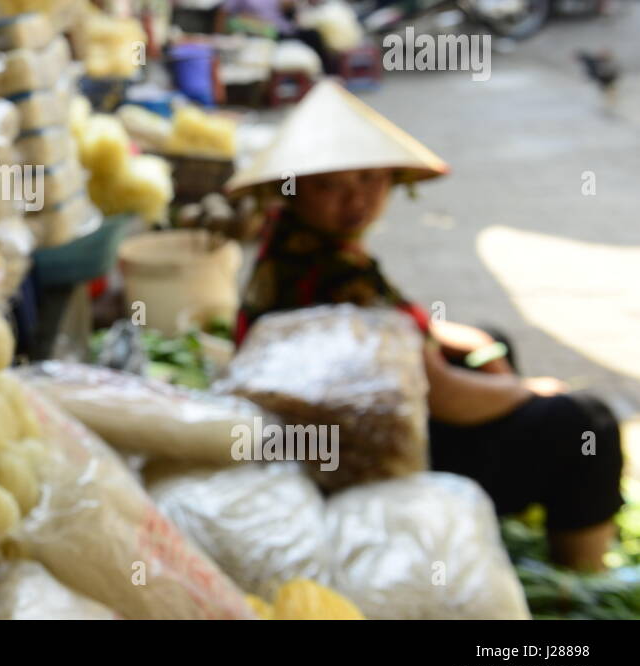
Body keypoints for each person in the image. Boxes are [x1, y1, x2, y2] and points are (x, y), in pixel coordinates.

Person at [227, 81, 624, 572]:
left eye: (371, 178)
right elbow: (441, 394)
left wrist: (471, 347)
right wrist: (530, 391)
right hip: (361, 459)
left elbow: (397, 332)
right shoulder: (336, 277)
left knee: (486, 339)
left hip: (328, 419)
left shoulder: (294, 238)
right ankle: (581, 576)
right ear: (291, 187)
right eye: (330, 185)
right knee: (585, 421)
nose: (357, 200)